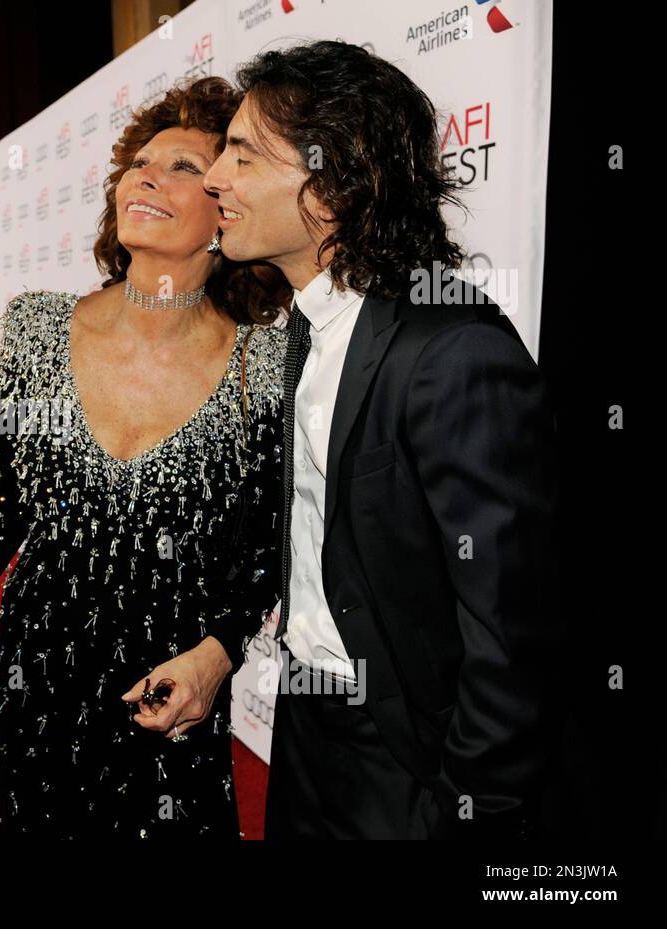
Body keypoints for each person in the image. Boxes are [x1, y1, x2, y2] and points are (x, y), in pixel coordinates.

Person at [203, 40, 557, 839]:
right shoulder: (301, 329)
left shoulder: (454, 350)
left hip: (409, 763)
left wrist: (469, 811)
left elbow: (511, 631)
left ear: (332, 187)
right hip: (306, 731)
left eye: (244, 155)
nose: (216, 179)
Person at [0, 76, 290, 838]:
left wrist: (219, 651)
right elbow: (7, 499)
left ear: (224, 212)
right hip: (41, 669)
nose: (147, 174)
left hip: (175, 683)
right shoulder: (36, 328)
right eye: (140, 162)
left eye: (181, 168)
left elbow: (264, 543)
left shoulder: (263, 363)